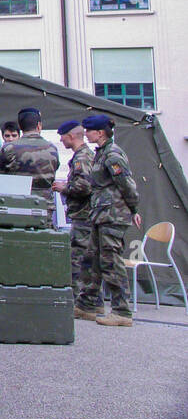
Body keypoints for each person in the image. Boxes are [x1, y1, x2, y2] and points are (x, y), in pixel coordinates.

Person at [75, 114, 141, 326]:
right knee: (92, 259)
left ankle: (122, 311)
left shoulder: (113, 155)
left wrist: (134, 208)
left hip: (113, 216)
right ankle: (89, 305)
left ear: (100, 133)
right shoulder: (101, 153)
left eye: (89, 131)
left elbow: (127, 184)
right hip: (100, 215)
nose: (85, 134)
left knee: (111, 262)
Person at [51, 120, 95, 306]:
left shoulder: (82, 157)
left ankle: (78, 301)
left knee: (78, 260)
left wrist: (64, 188)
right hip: (83, 216)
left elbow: (84, 187)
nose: (61, 140)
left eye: (62, 136)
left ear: (71, 136)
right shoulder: (83, 155)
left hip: (84, 217)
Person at [0, 108, 59, 200]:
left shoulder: (9, 148)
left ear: (20, 127)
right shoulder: (52, 149)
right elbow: (54, 171)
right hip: (44, 204)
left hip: (17, 203)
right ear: (39, 126)